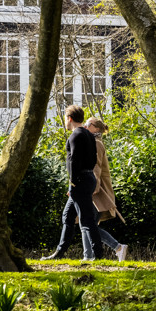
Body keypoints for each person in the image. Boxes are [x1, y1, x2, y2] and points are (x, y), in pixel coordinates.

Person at [41, 105, 106, 262]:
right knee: (68, 216)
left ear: (69, 118)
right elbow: (92, 160)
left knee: (86, 219)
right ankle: (59, 252)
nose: (65, 121)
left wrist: (73, 182)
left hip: (79, 181)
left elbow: (73, 161)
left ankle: (98, 254)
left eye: (65, 118)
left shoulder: (75, 135)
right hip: (88, 178)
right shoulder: (89, 135)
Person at [83, 116, 129, 262]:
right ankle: (89, 255)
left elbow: (95, 168)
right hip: (95, 190)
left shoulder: (96, 143)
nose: (85, 126)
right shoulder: (93, 142)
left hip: (97, 192)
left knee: (88, 224)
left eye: (88, 124)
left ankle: (116, 247)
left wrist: (93, 188)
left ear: (96, 128)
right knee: (88, 224)